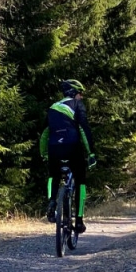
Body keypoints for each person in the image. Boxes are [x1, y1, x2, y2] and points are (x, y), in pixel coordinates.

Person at [40, 80, 94, 234]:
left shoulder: (52, 108)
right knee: (80, 182)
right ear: (74, 93)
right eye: (80, 93)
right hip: (72, 148)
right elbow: (84, 131)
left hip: (54, 148)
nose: (81, 97)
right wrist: (91, 153)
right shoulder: (77, 106)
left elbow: (44, 134)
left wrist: (44, 153)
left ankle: (52, 201)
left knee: (53, 175)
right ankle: (79, 220)